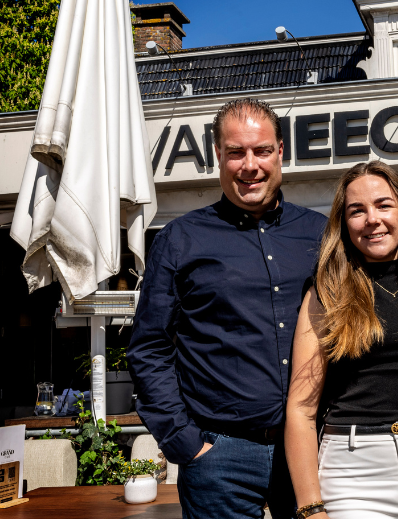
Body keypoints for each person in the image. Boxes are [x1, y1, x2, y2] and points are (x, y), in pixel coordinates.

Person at [128, 98, 326, 519]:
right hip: (220, 457)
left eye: (261, 150)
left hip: (312, 449)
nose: (249, 165)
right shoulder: (180, 240)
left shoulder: (321, 234)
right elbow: (149, 349)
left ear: (280, 153)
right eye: (236, 152)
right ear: (218, 155)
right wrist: (187, 444)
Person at [284, 161, 398, 519]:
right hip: (354, 475)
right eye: (357, 210)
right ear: (343, 223)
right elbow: (301, 411)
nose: (372, 219)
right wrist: (311, 508)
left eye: (383, 205)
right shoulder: (326, 293)